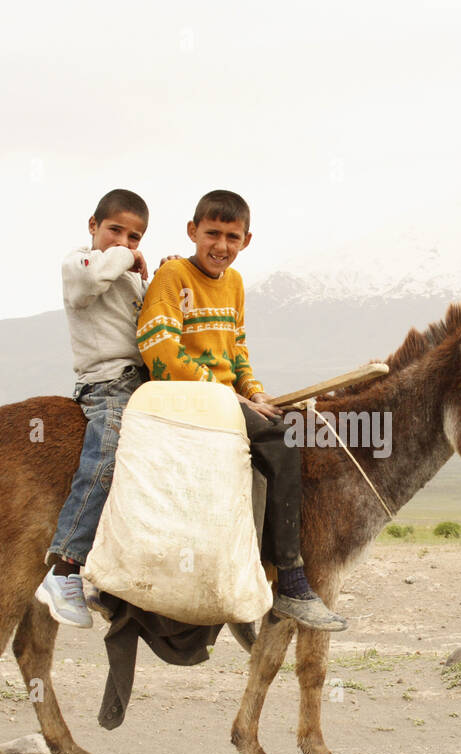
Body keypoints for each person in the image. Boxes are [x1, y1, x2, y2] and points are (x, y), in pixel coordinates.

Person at [136, 189, 347, 631]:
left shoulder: (234, 283)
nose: (221, 246)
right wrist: (227, 394)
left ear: (247, 240)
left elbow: (238, 350)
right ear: (193, 232)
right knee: (280, 439)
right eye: (212, 234)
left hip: (223, 398)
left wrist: (256, 391)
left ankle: (267, 561)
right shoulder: (173, 276)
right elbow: (160, 351)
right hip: (185, 396)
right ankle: (290, 578)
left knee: (299, 426)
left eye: (232, 237)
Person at [36, 188, 151, 627]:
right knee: (104, 460)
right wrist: (126, 256)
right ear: (92, 226)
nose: (123, 241)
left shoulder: (128, 275)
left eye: (134, 237)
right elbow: (89, 281)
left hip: (141, 385)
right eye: (115, 230)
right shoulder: (78, 263)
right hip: (107, 385)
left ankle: (112, 572)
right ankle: (64, 568)